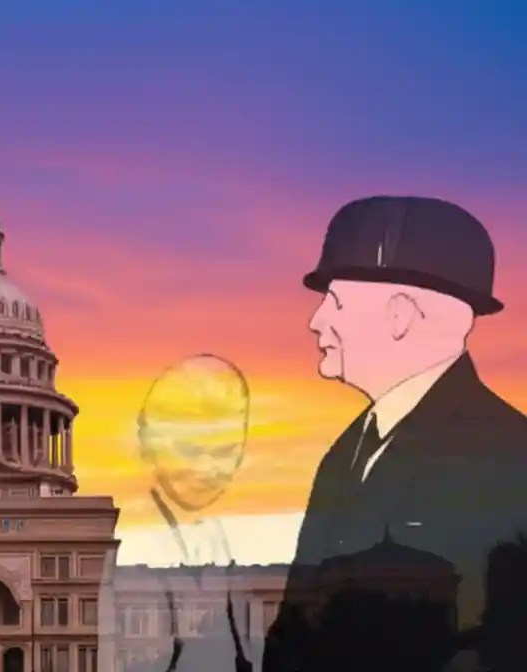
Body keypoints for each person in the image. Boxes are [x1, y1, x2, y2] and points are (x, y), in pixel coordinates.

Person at [263, 196, 527, 672]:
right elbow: (294, 629)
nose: (316, 320)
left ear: (400, 315)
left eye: (336, 301)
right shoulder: (343, 455)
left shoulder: (510, 455)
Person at [138, 354, 252, 671]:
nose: (206, 469)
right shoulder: (133, 539)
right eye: (189, 450)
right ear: (146, 441)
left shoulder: (223, 541)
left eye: (226, 451)